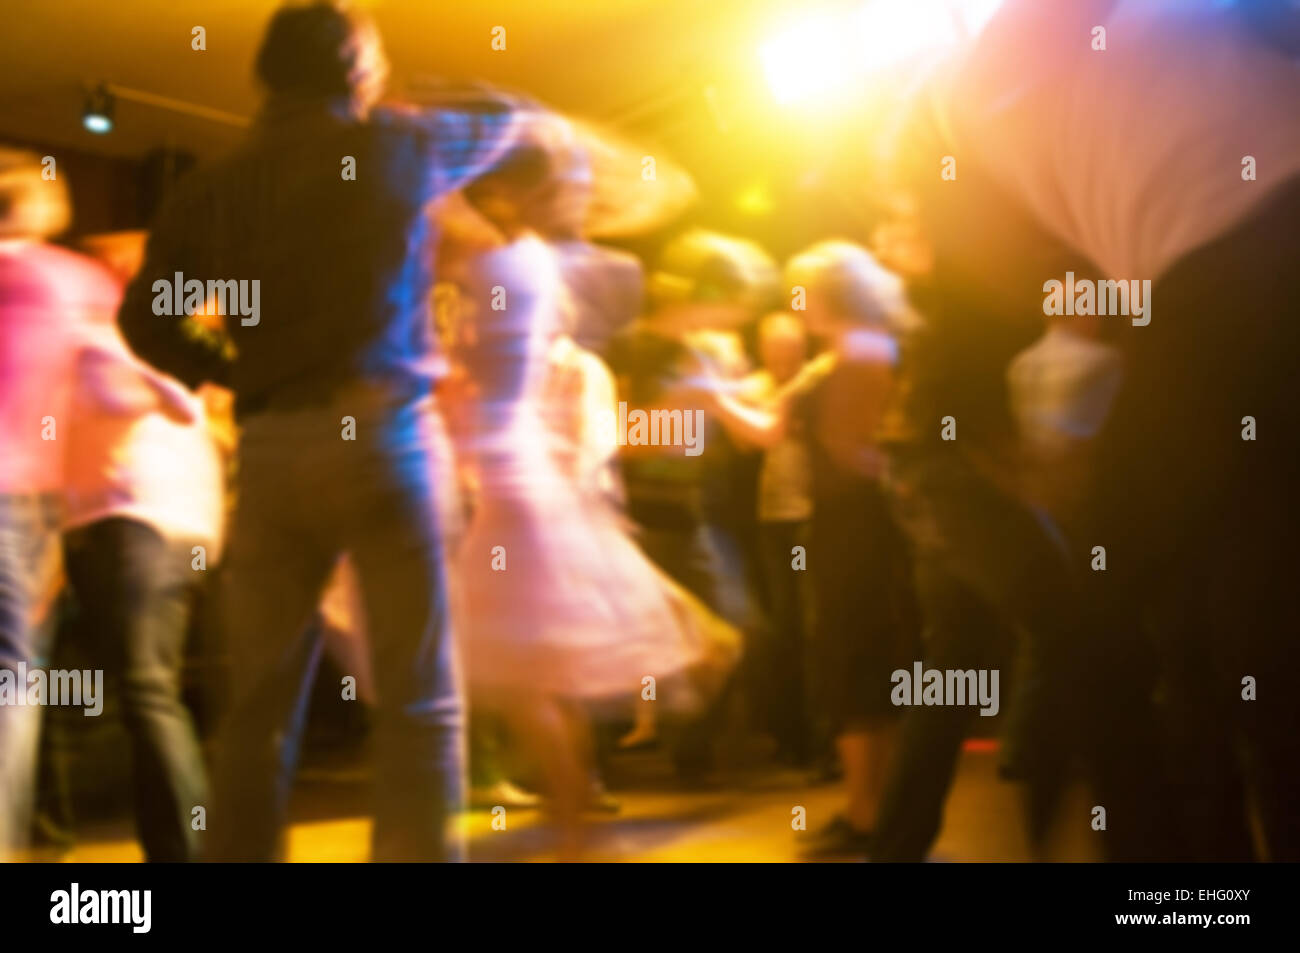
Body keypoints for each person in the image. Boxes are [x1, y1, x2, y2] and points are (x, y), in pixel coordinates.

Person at [116, 0, 535, 861]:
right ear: (356, 68)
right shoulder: (400, 146)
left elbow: (144, 316)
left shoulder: (213, 185)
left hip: (273, 448)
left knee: (257, 709)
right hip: (384, 435)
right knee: (419, 699)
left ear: (262, 78)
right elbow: (509, 116)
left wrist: (234, 371)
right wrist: (396, 95)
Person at [444, 235, 737, 858]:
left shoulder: (563, 364)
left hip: (534, 516)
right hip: (520, 512)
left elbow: (594, 445)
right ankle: (578, 827)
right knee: (536, 681)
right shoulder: (506, 355)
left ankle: (580, 826)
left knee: (535, 678)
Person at [699, 242, 919, 857]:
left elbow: (798, 439)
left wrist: (714, 396)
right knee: (878, 667)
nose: (797, 306)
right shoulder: (871, 347)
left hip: (852, 529)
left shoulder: (845, 360)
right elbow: (781, 425)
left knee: (852, 665)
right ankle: (876, 807)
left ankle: (867, 813)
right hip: (874, 526)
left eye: (802, 294)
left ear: (824, 295)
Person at [0, 149, 123, 858]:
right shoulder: (68, 278)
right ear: (37, 206)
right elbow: (115, 380)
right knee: (15, 674)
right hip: (17, 496)